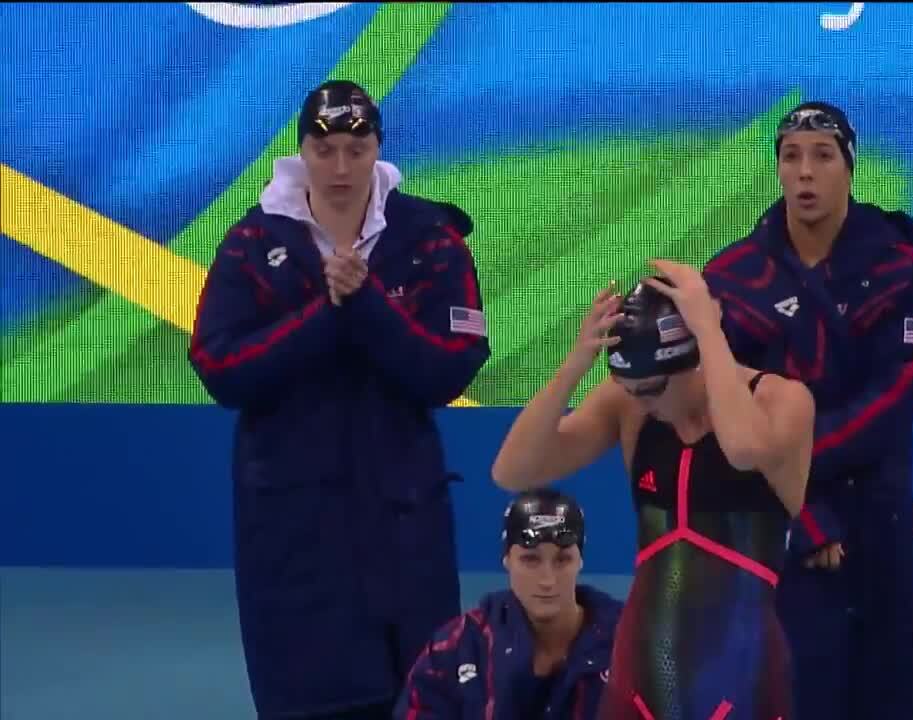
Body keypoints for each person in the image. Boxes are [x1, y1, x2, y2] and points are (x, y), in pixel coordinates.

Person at [187, 80, 491, 719]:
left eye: (357, 148)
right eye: (326, 150)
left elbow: (449, 370)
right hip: (292, 528)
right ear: (303, 151)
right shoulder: (250, 243)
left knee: (421, 697)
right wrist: (326, 313)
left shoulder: (433, 239)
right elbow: (219, 368)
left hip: (405, 517)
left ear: (378, 147)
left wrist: (367, 305)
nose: (342, 167)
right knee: (307, 699)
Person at [701, 100, 913, 719]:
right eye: (791, 156)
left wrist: (796, 470)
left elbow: (892, 404)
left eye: (822, 156)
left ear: (849, 169)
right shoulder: (731, 278)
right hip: (775, 531)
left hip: (878, 527)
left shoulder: (904, 272)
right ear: (778, 170)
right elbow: (721, 414)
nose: (805, 171)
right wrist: (801, 511)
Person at [490, 262, 816, 719]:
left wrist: (707, 329)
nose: (639, 401)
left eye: (651, 388)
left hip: (743, 678)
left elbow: (744, 449)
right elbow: (512, 471)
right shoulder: (633, 406)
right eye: (628, 387)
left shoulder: (782, 401)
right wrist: (571, 369)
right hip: (637, 676)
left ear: (694, 358)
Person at [394, 489, 623, 720]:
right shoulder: (455, 649)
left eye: (562, 560)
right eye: (530, 559)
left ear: (580, 561)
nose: (547, 580)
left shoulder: (629, 641)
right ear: (507, 561)